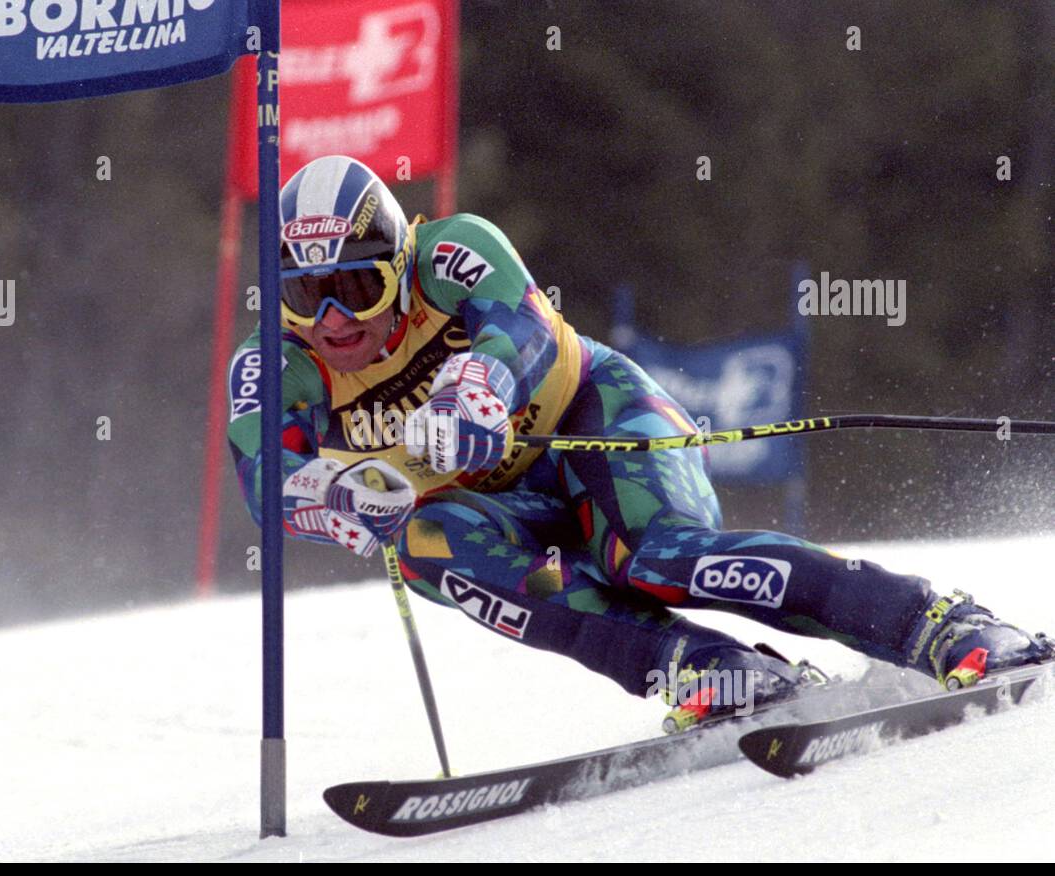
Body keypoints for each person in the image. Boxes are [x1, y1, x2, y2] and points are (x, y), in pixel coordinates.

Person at [227, 154, 1049, 728]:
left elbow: (523, 326)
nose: (334, 321)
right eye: (307, 295)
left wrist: (480, 388)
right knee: (427, 542)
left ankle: (936, 622)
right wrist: (330, 498)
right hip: (499, 505)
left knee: (657, 558)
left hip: (593, 426)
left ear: (398, 265)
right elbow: (265, 477)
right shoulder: (275, 364)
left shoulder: (451, 252)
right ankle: (705, 668)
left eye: (356, 287)